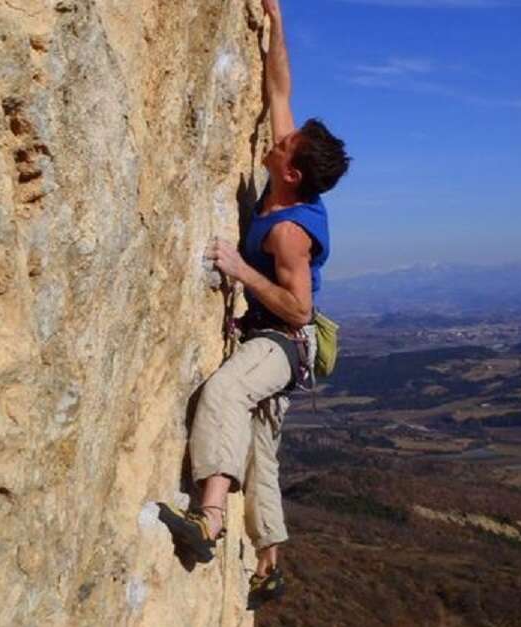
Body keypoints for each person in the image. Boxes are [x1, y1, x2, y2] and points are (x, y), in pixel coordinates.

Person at [164, 0, 350, 609]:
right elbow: (279, 86)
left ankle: (209, 520)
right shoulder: (284, 175)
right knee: (259, 449)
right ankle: (270, 560)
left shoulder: (288, 233)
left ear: (292, 174)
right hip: (270, 337)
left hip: (283, 341)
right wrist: (276, 20)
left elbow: (298, 312)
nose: (280, 135)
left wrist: (243, 270)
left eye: (287, 144)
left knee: (223, 394)